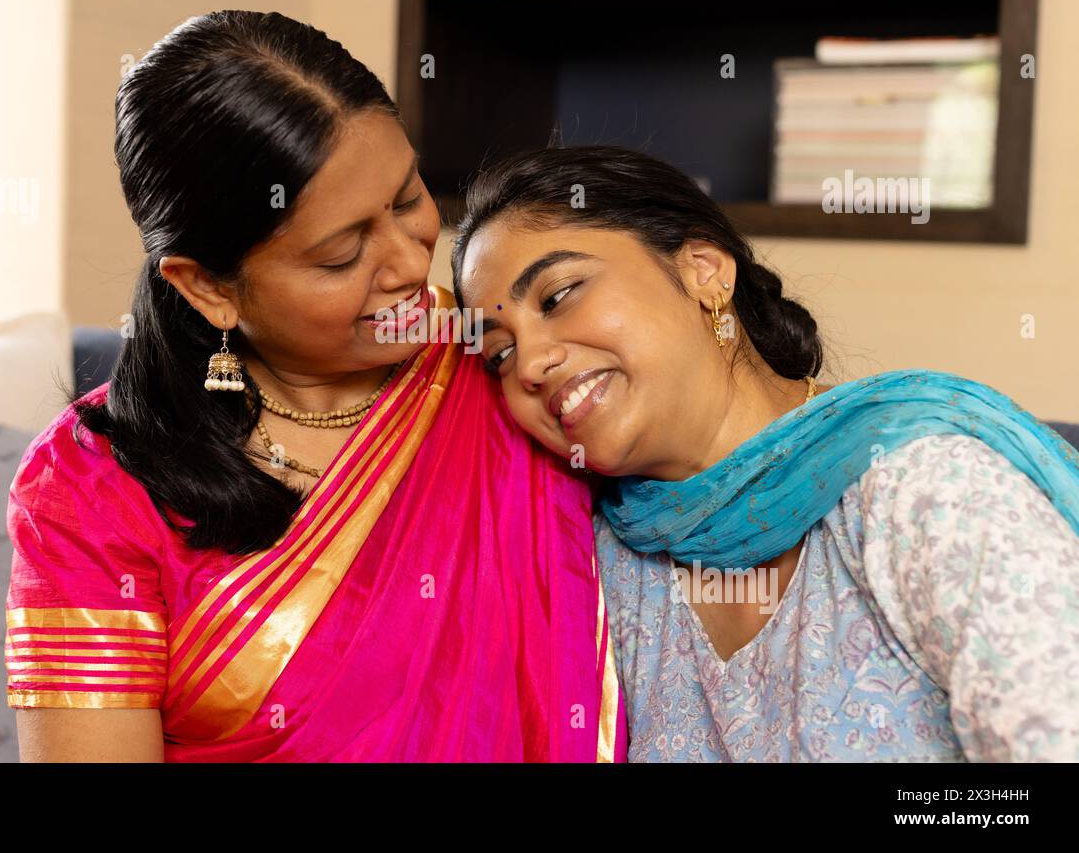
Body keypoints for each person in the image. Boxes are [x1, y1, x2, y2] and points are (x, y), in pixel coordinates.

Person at [4, 12, 624, 762]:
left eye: (405, 199)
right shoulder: (91, 488)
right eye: (341, 254)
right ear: (208, 288)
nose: (407, 263)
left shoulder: (512, 361)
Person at [452, 143, 1079, 761]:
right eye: (500, 354)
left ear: (704, 270)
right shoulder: (597, 566)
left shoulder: (924, 486)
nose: (531, 363)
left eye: (559, 296)